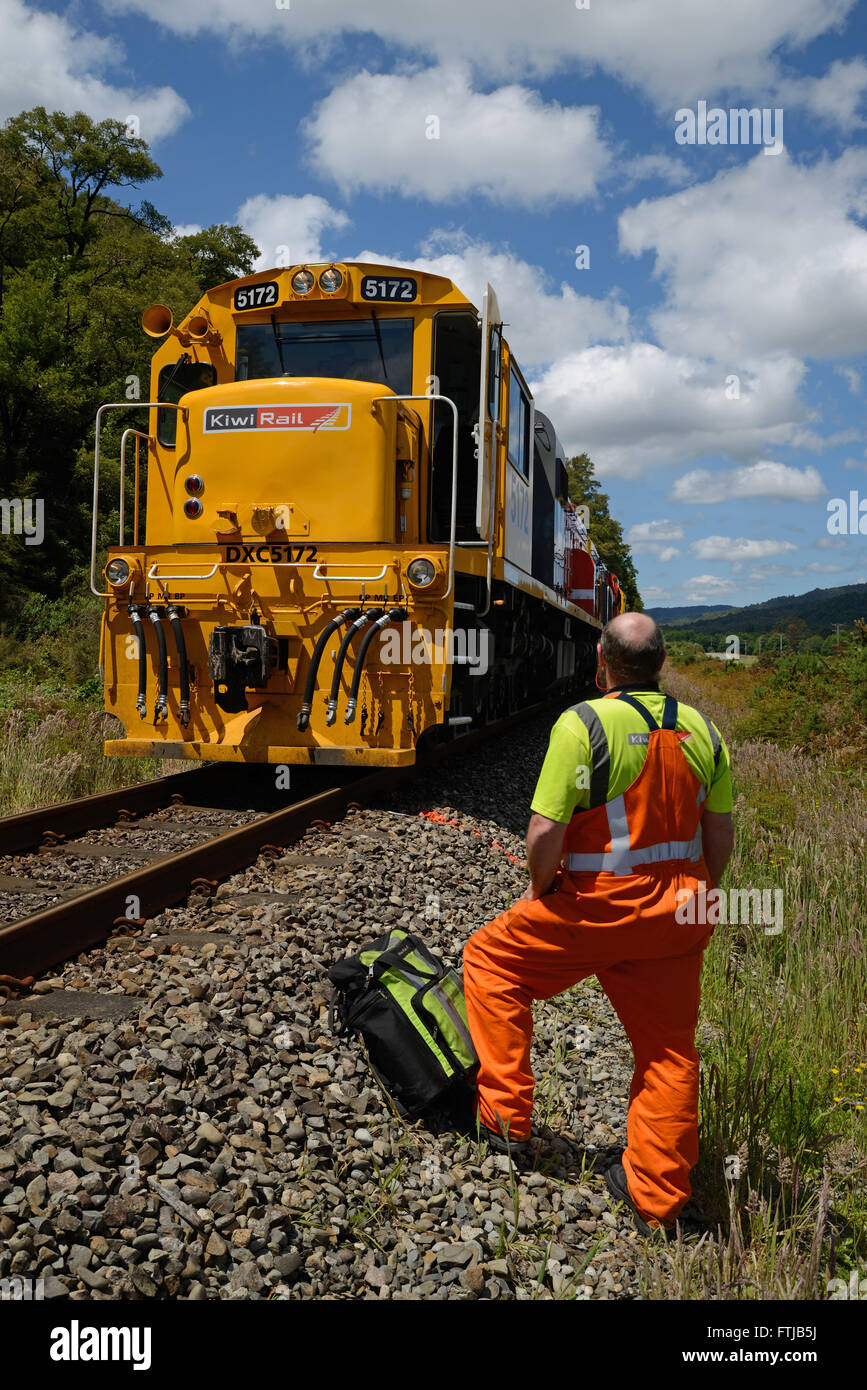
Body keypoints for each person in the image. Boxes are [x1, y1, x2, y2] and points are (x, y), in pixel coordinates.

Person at [462, 613, 735, 1234]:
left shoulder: (584, 723)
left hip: (599, 907)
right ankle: (659, 1200)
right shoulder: (705, 731)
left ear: (600, 660)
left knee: (490, 961)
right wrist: (702, 896)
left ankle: (505, 1122)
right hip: (681, 913)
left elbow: (544, 830)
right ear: (663, 664)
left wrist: (542, 892)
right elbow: (719, 834)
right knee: (670, 1054)